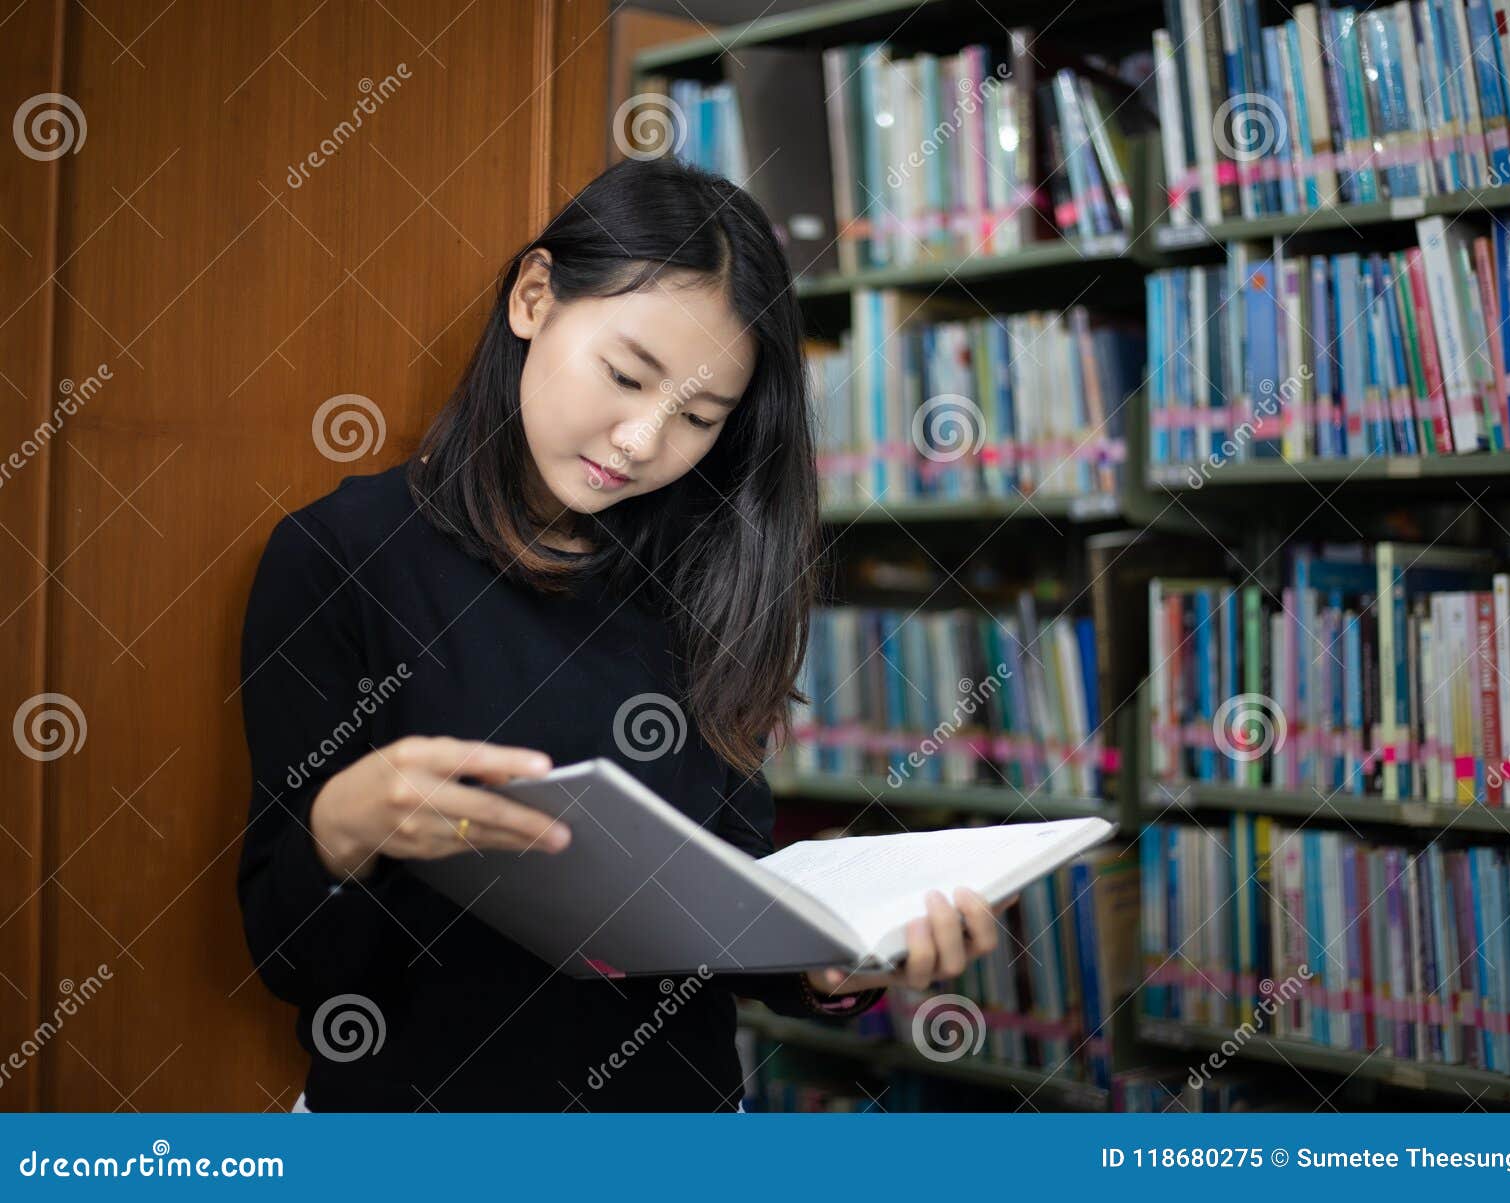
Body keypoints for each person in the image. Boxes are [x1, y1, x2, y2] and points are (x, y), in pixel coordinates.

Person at [236, 154, 1008, 1113]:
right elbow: (290, 958)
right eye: (626, 375)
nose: (644, 441)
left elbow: (723, 908)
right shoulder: (340, 556)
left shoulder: (709, 570)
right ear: (534, 296)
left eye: (698, 416)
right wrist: (345, 825)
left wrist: (834, 962)